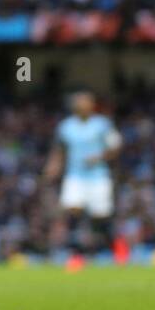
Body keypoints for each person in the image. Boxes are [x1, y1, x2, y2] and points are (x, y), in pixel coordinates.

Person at [44, 90, 121, 269]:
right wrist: (53, 166)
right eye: (79, 102)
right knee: (72, 212)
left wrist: (100, 157)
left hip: (98, 176)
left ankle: (116, 249)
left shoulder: (102, 124)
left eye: (86, 102)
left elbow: (116, 147)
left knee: (100, 217)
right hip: (75, 176)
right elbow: (60, 149)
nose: (82, 106)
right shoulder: (66, 126)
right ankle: (77, 255)